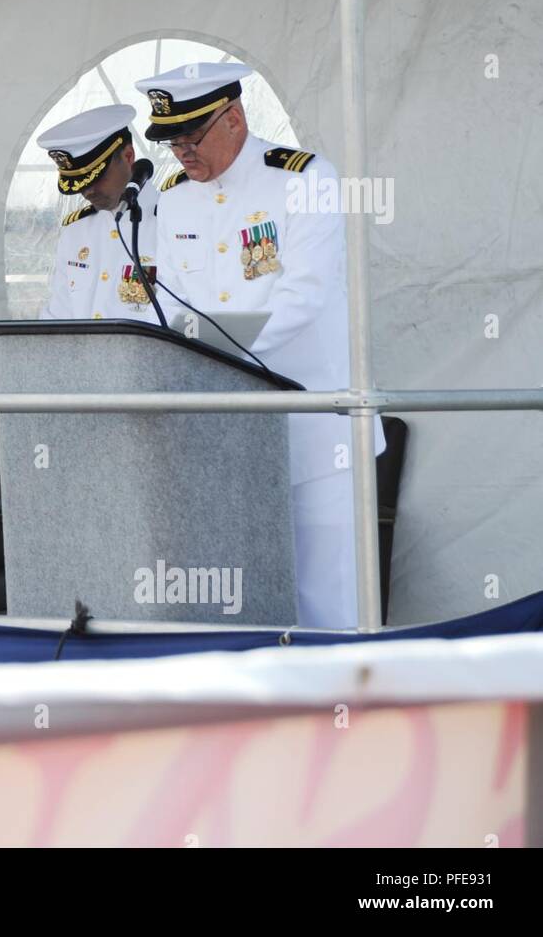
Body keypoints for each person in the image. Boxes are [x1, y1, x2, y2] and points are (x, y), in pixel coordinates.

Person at [135, 62, 382, 628]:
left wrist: (220, 360)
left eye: (191, 137)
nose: (182, 153)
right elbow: (174, 305)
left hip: (315, 434)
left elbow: (305, 296)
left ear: (235, 119)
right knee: (241, 604)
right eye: (171, 142)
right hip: (226, 440)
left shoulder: (304, 179)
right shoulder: (171, 198)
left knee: (328, 604)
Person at [36, 104, 166, 320]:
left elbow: (189, 316)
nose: (88, 191)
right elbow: (59, 315)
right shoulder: (76, 232)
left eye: (96, 178)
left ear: (128, 156)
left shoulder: (171, 221)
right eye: (78, 184)